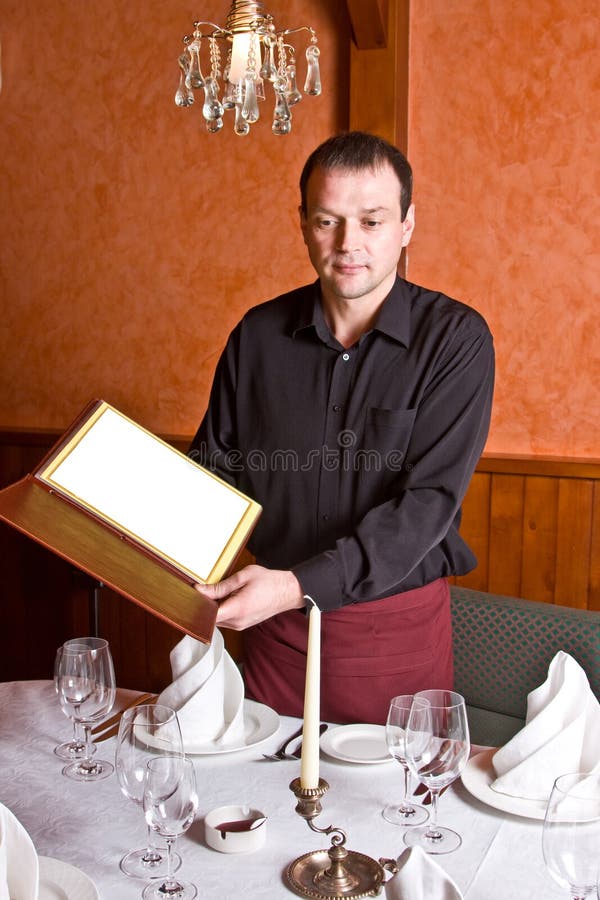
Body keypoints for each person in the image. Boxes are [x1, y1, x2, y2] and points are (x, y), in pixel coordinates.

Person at [190, 130, 494, 725]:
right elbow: (215, 467)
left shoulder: (457, 341)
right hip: (273, 630)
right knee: (263, 799)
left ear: (407, 225)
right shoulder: (255, 335)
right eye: (328, 221)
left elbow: (424, 508)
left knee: (395, 809)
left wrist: (293, 586)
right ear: (303, 223)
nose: (348, 243)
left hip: (393, 631)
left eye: (372, 221)